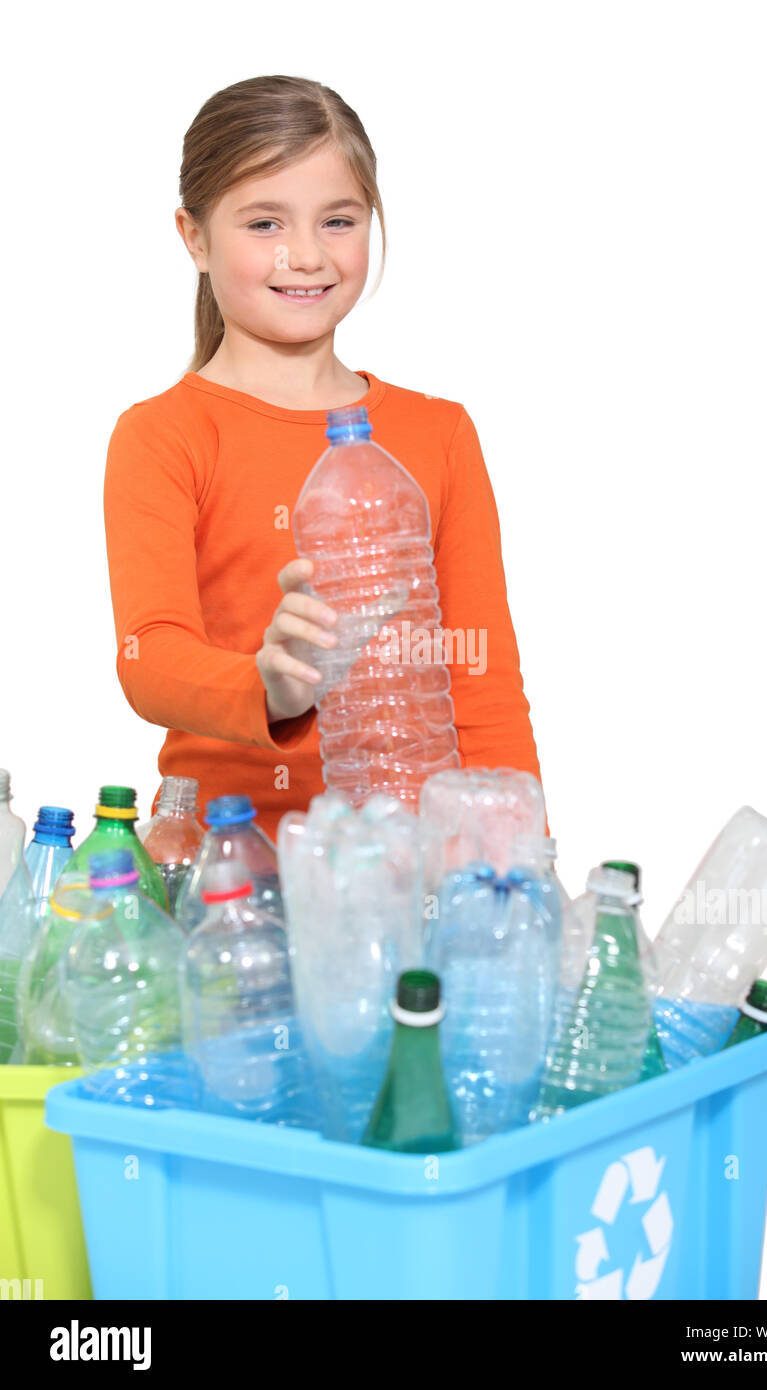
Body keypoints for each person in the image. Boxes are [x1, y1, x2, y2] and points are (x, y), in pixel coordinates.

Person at [104, 75, 543, 844]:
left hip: (409, 863)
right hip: (231, 866)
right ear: (195, 237)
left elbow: (481, 680)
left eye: (337, 220)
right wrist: (268, 685)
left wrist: (515, 855)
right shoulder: (163, 434)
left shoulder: (438, 432)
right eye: (265, 223)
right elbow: (152, 657)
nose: (305, 255)